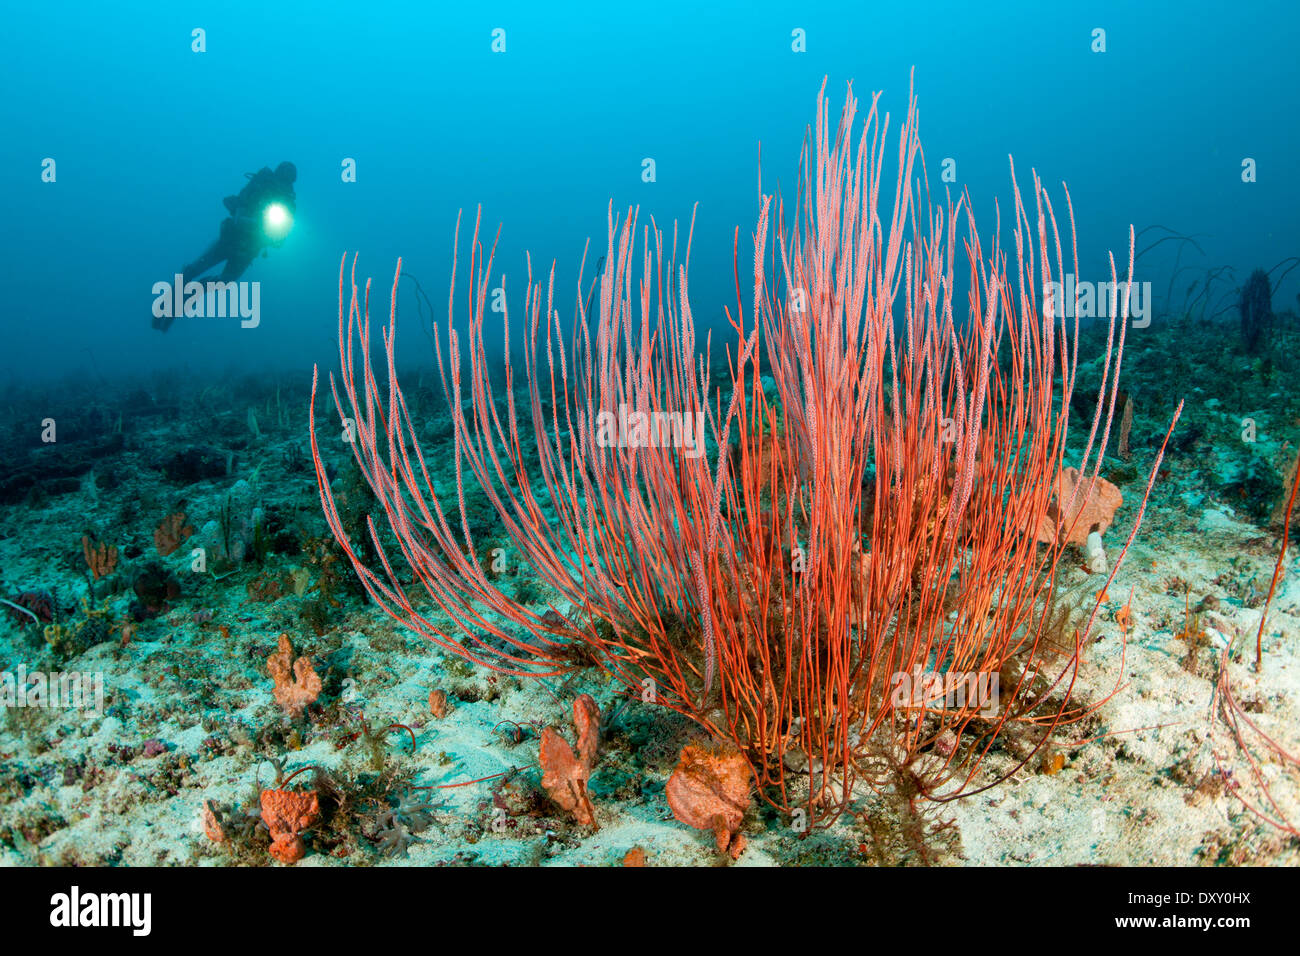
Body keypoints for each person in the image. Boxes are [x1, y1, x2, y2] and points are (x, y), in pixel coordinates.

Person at [154, 161, 297, 332]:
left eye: (288, 178)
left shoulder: (288, 203)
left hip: (248, 250)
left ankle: (187, 296)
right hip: (230, 238)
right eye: (284, 175)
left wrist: (276, 236)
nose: (284, 182)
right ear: (277, 174)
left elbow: (281, 237)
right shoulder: (260, 184)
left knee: (224, 281)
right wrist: (242, 210)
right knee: (195, 269)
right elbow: (236, 201)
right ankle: (166, 304)